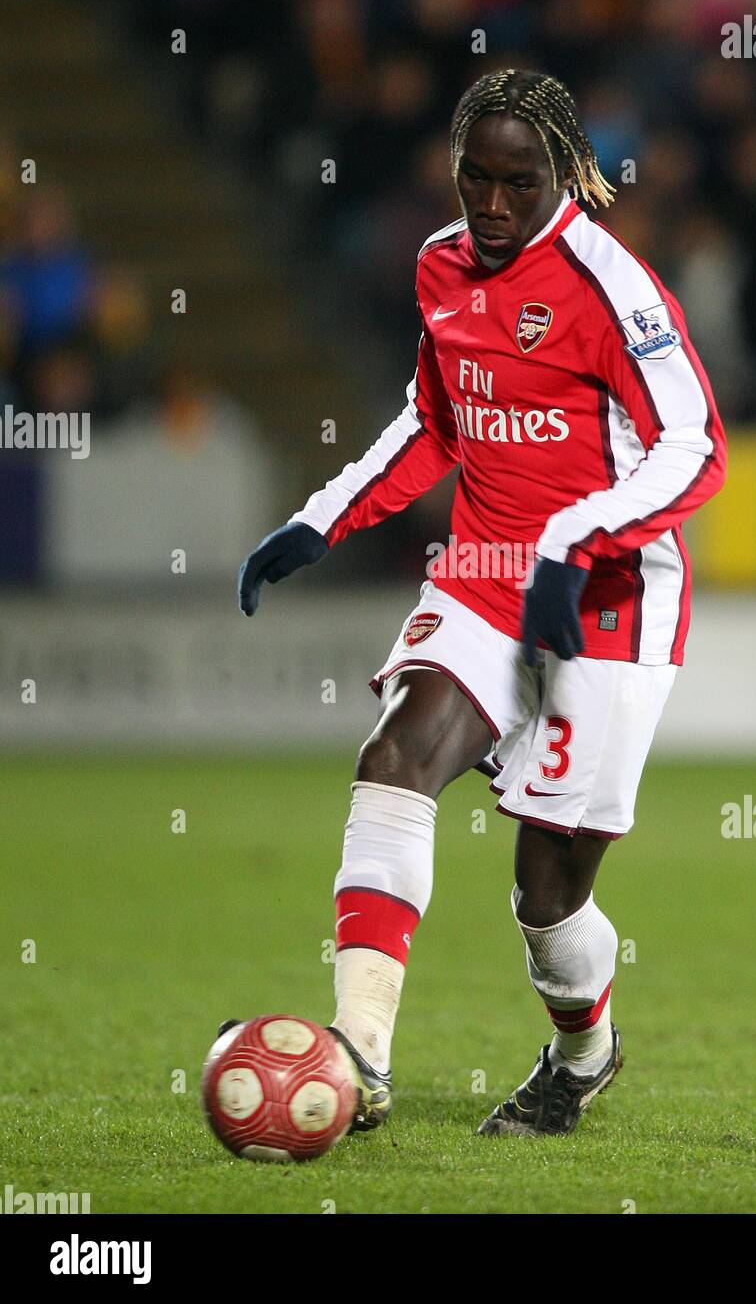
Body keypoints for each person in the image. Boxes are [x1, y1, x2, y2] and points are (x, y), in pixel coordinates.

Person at [237, 68, 727, 1137]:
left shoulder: (612, 288)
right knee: (396, 754)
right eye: (476, 179)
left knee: (545, 895)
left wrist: (573, 540)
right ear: (453, 170)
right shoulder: (439, 267)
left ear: (564, 174)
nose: (494, 206)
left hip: (603, 599)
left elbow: (695, 446)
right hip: (481, 571)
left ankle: (581, 1050)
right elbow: (433, 420)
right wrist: (324, 517)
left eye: (519, 181)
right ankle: (359, 1054)